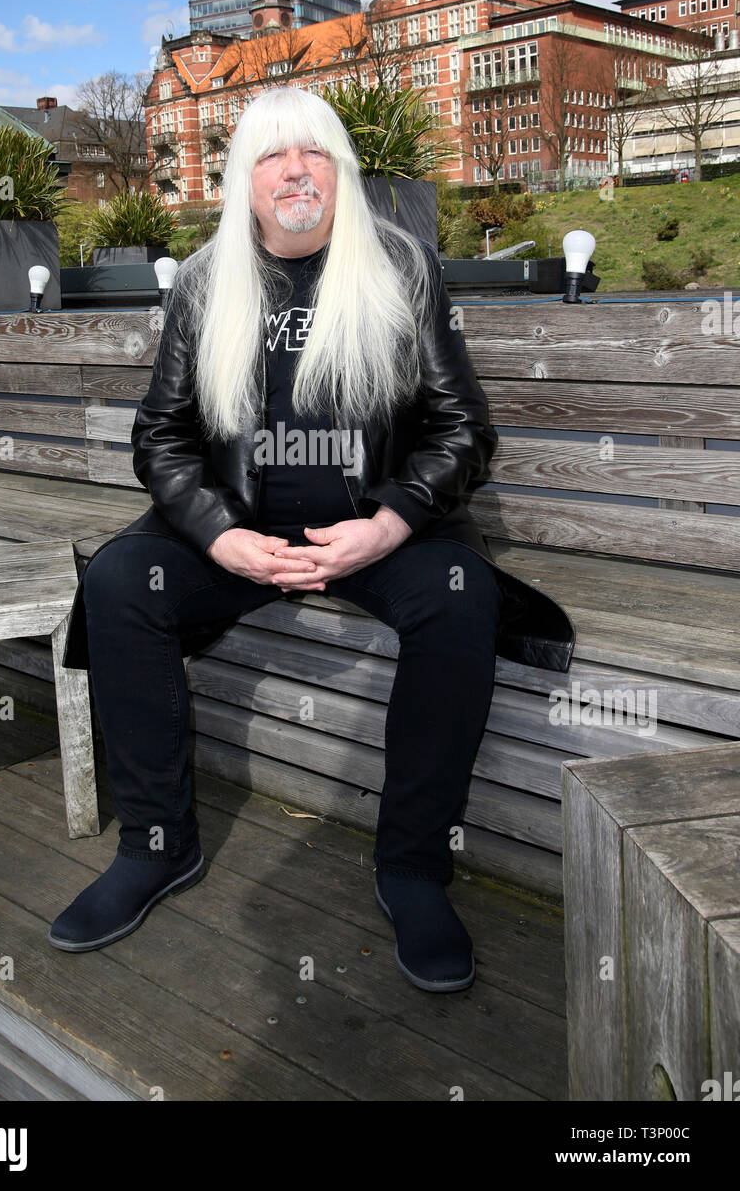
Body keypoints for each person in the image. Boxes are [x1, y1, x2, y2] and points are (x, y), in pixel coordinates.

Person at [50, 86, 575, 993]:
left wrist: (387, 525)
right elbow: (162, 439)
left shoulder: (400, 268)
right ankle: (157, 844)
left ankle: (412, 867)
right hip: (243, 535)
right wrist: (217, 536)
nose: (295, 171)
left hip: (372, 532)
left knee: (463, 601)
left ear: (341, 169)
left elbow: (462, 432)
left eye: (314, 153)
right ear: (242, 180)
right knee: (118, 581)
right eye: (271, 155)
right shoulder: (210, 281)